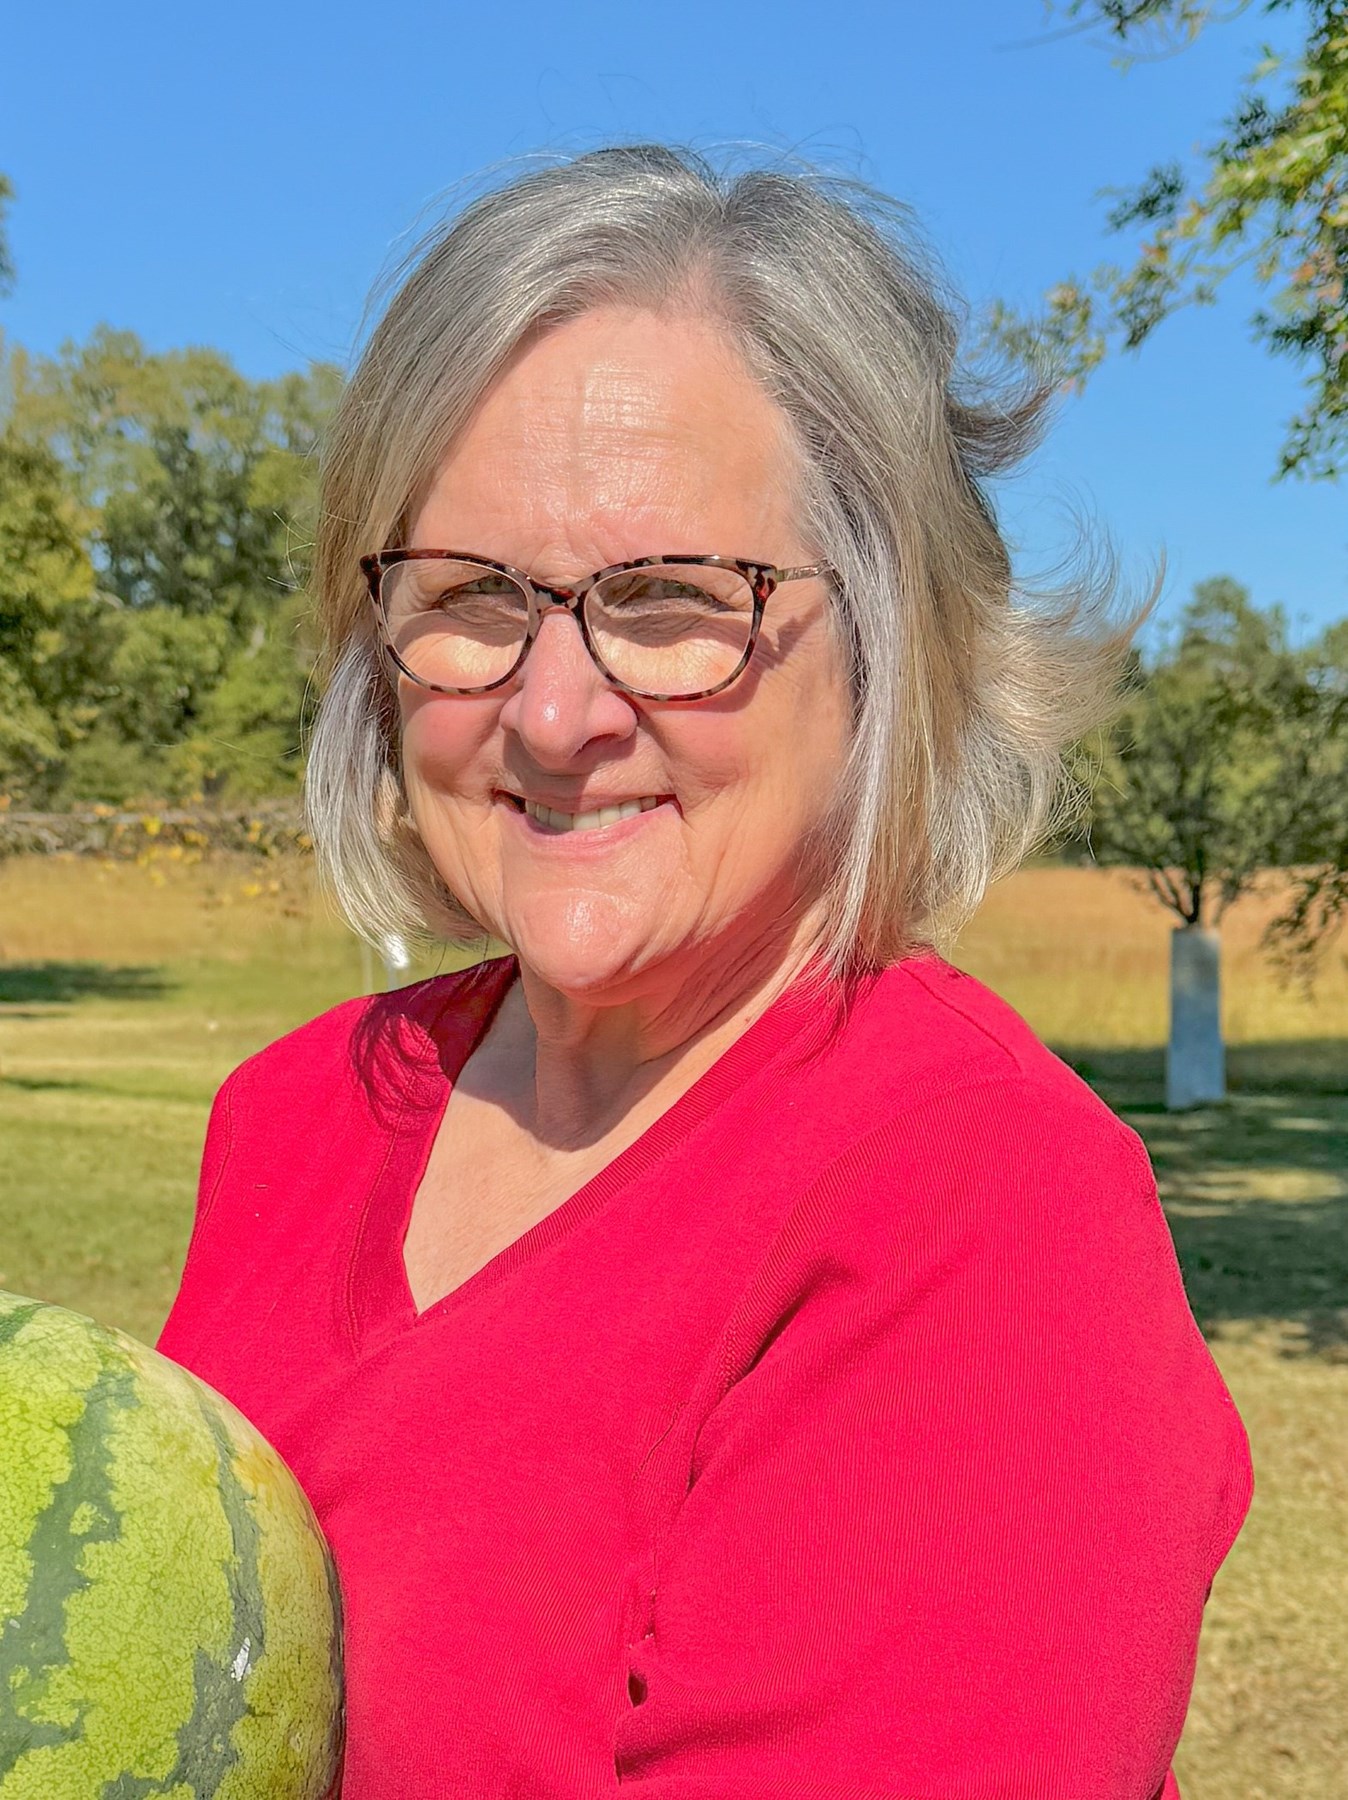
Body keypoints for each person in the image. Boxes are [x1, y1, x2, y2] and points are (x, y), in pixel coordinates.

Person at [158, 145, 1253, 1798]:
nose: (552, 711)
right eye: (471, 600)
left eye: (672, 601)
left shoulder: (972, 1199)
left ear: (889, 640)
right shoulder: (296, 1112)